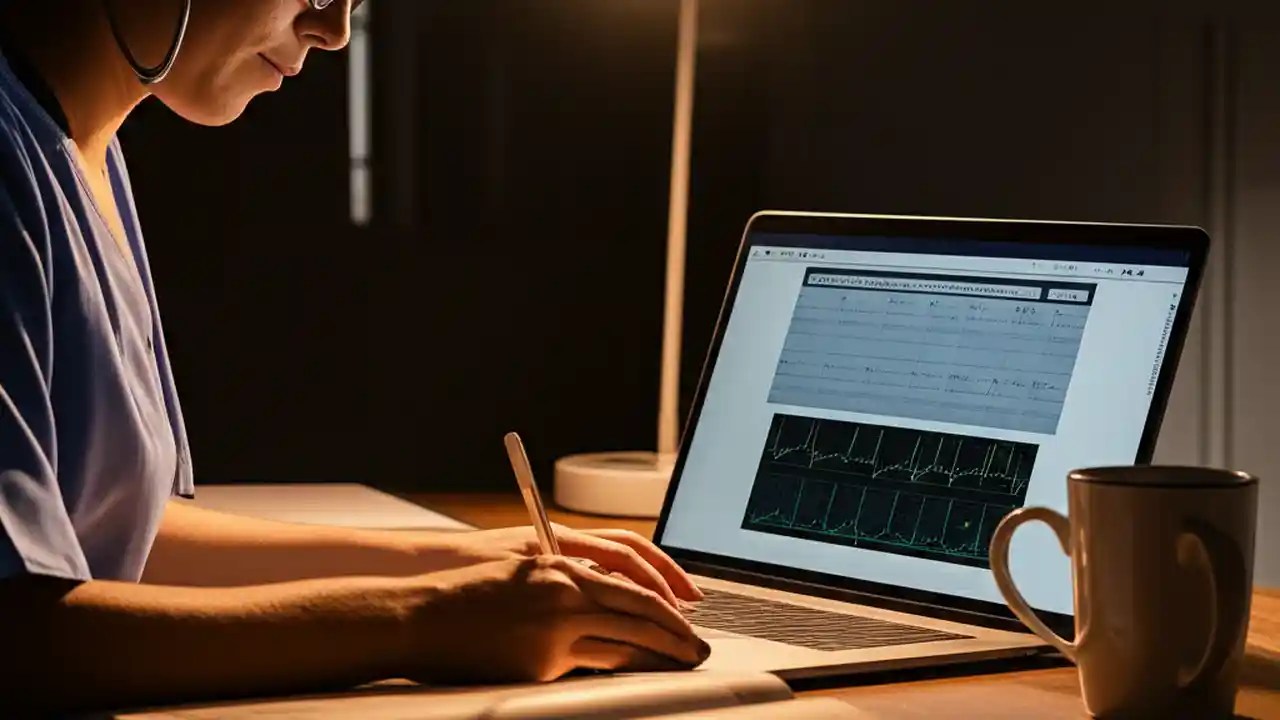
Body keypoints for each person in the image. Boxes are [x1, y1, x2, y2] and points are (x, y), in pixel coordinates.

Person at [0, 0, 708, 714]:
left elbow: (121, 529)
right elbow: (18, 633)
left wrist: (463, 564)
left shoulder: (87, 145)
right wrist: (420, 621)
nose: (333, 30)